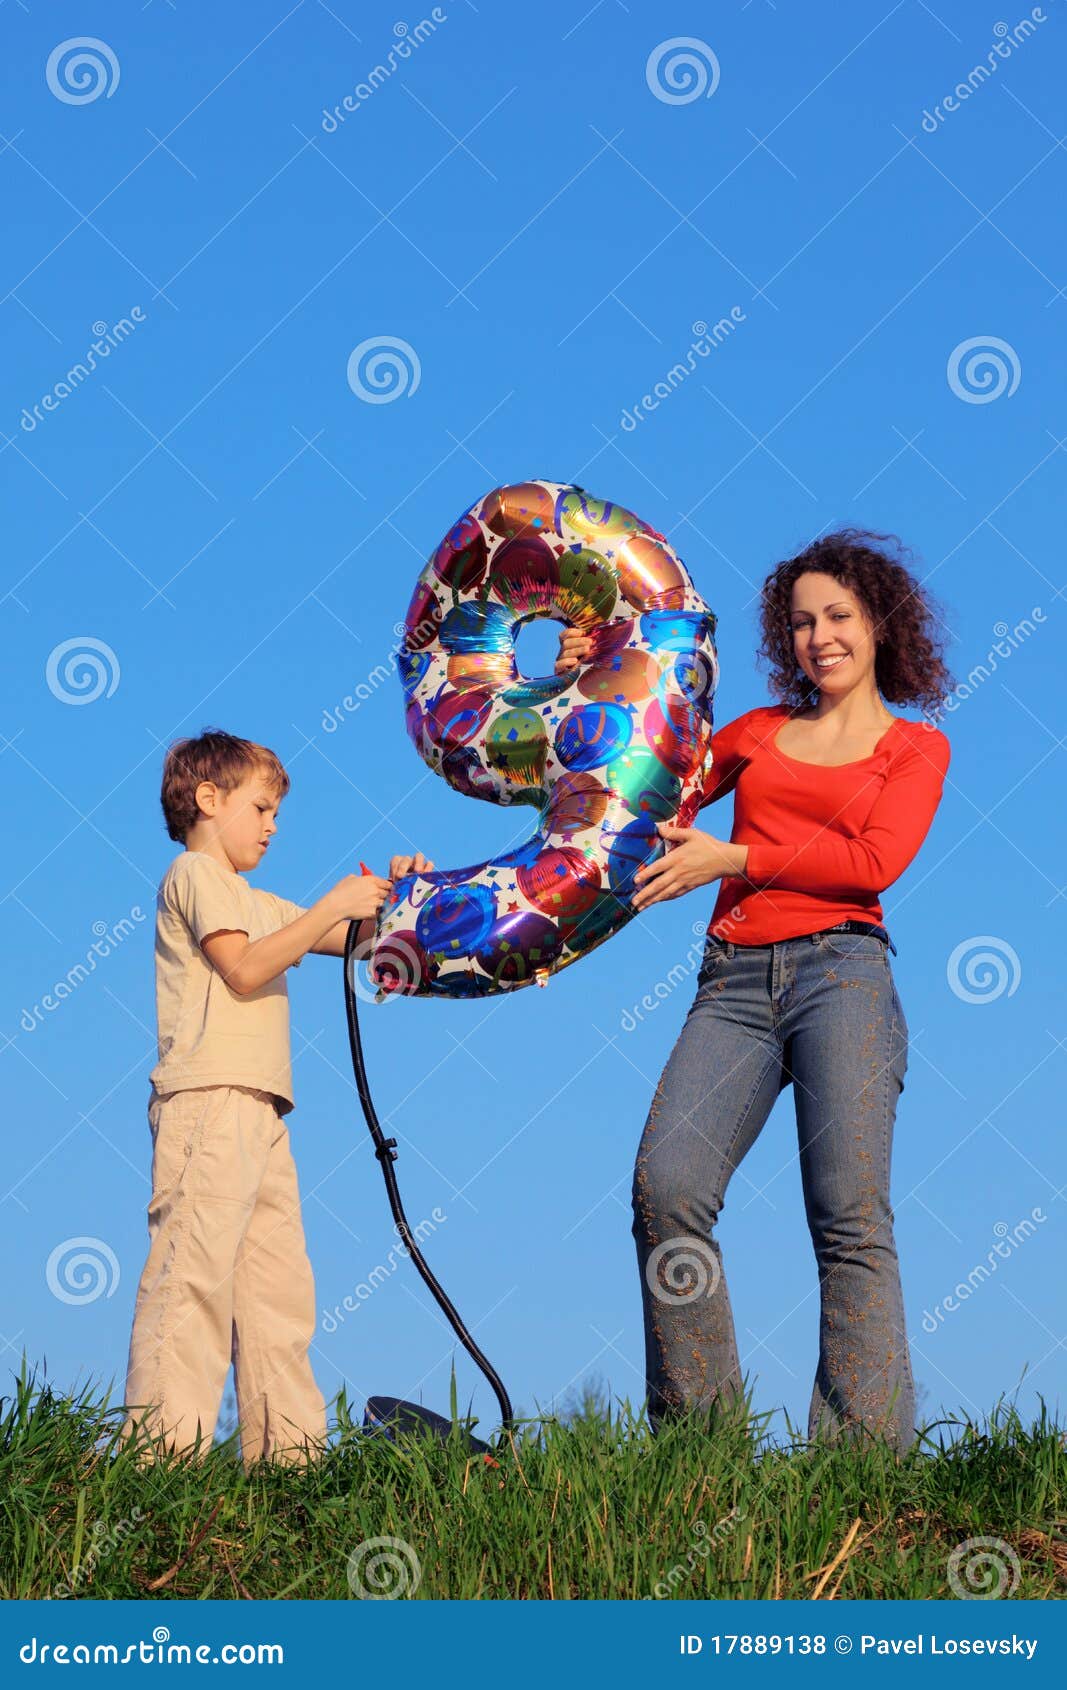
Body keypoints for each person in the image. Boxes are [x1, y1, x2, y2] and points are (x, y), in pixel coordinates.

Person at [556, 528, 954, 1453]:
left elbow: (871, 861)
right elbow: (641, 789)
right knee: (667, 1184)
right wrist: (584, 681)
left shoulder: (914, 750)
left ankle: (861, 1463)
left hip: (844, 976)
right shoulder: (756, 734)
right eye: (802, 621)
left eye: (838, 617)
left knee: (848, 1214)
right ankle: (699, 1446)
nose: (820, 637)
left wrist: (735, 858)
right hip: (732, 982)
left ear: (880, 625)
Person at [120, 728, 433, 1470]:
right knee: (190, 1281)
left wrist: (408, 892)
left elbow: (360, 939)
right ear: (207, 799)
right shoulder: (193, 874)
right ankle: (160, 1466)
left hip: (262, 1111)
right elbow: (244, 968)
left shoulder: (255, 899)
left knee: (277, 1296)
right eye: (260, 807)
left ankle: (288, 1467)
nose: (272, 824)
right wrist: (332, 904)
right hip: (207, 1102)